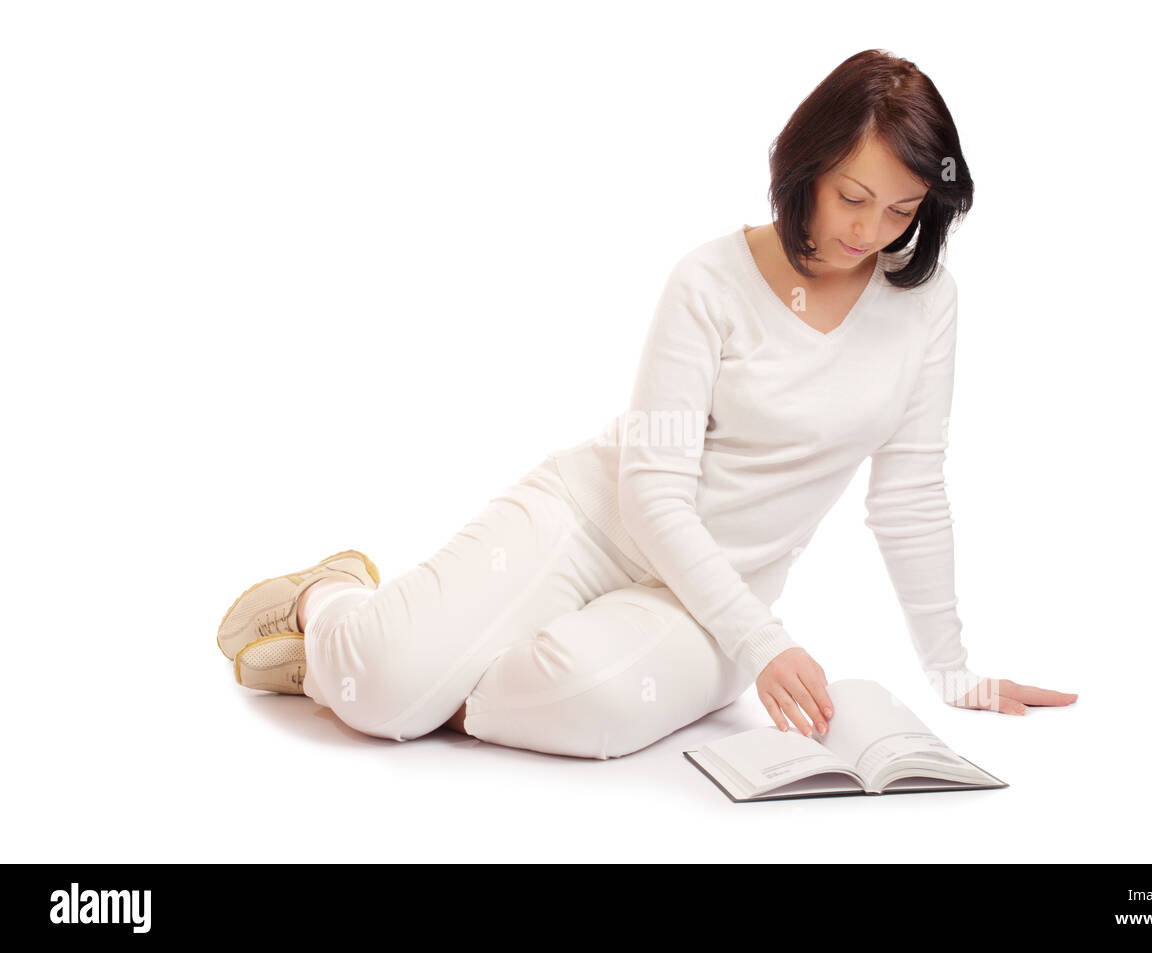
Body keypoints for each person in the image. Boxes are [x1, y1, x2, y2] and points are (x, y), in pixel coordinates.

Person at [214, 49, 1077, 760]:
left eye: (903, 208)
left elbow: (910, 494)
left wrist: (952, 668)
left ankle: (406, 668)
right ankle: (328, 603)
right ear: (808, 166)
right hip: (595, 520)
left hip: (718, 590)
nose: (871, 230)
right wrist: (765, 641)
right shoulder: (708, 281)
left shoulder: (928, 305)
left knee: (591, 703)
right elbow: (653, 492)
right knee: (385, 687)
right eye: (853, 196)